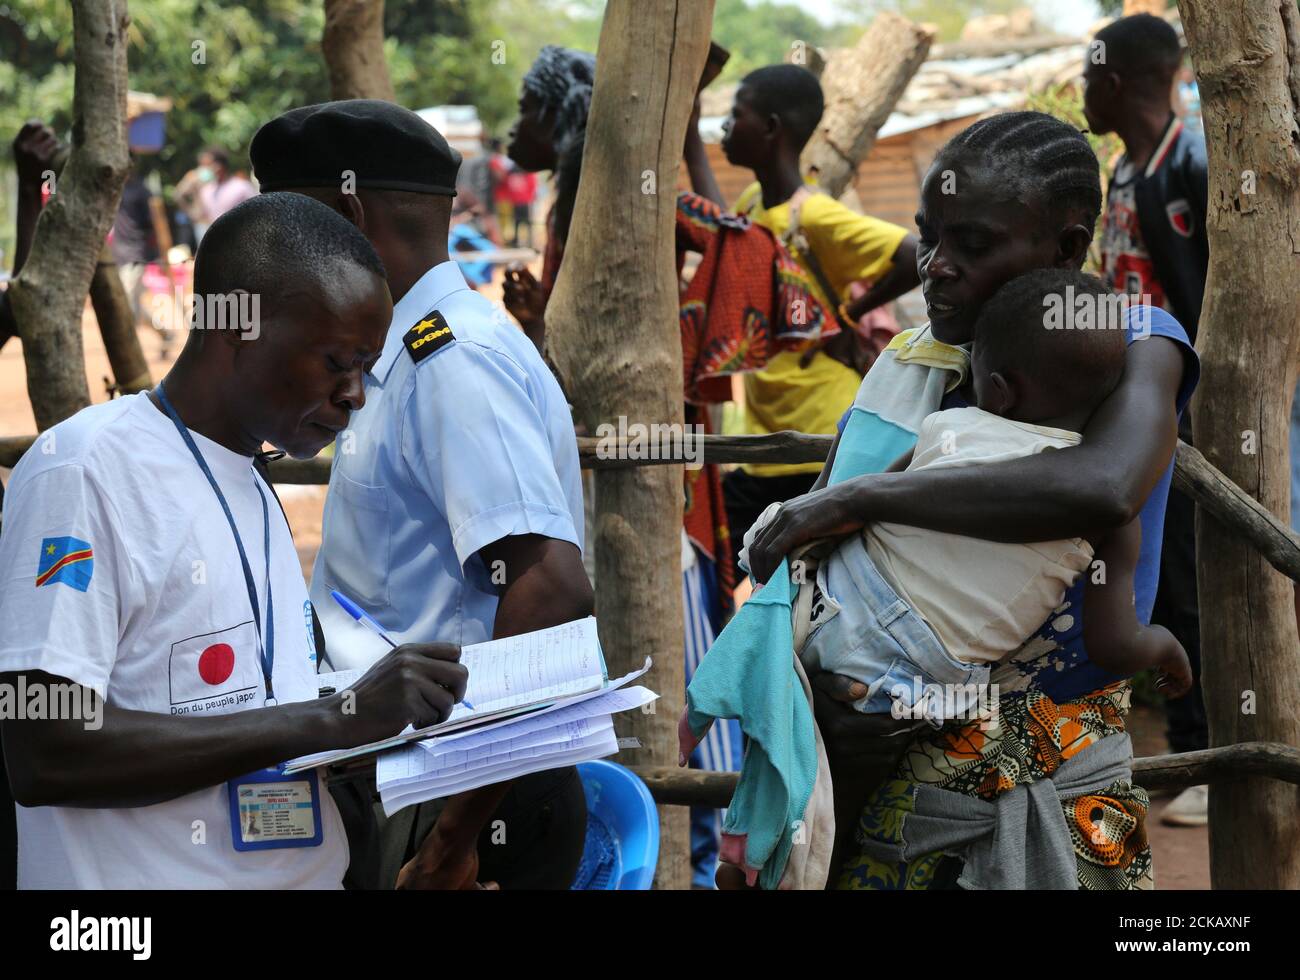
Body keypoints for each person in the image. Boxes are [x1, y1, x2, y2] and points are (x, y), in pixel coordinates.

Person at [745, 110, 1199, 890]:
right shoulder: (914, 359)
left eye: (975, 245)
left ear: (1065, 245)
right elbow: (811, 547)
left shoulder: (1126, 342)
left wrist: (859, 499)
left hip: (1061, 784)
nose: (937, 266)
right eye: (930, 236)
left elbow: (1104, 486)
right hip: (882, 776)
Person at [0, 192, 473, 889]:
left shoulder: (250, 479)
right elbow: (45, 751)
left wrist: (382, 723)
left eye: (365, 368)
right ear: (238, 329)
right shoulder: (87, 472)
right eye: (337, 361)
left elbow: (247, 720)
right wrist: (330, 720)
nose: (355, 395)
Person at [250, 99, 594, 890]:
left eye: (287, 230)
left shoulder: (451, 361)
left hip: (459, 799)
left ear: (347, 212)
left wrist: (452, 845)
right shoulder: (405, 353)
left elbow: (550, 591)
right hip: (420, 783)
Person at [682, 64, 921, 574]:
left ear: (770, 128)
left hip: (819, 438)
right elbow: (724, 233)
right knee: (743, 562)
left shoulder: (813, 215)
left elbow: (914, 253)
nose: (725, 127)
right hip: (770, 435)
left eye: (735, 115)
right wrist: (689, 141)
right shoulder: (753, 204)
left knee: (779, 573)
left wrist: (842, 315)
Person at [1083, 12, 1210, 827]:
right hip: (1142, 406)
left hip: (1190, 404)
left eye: (1088, 75)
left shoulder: (1190, 161)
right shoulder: (1126, 170)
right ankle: (1187, 747)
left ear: (1117, 82)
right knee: (1160, 576)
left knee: (1199, 581)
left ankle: (1213, 756)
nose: (1081, 90)